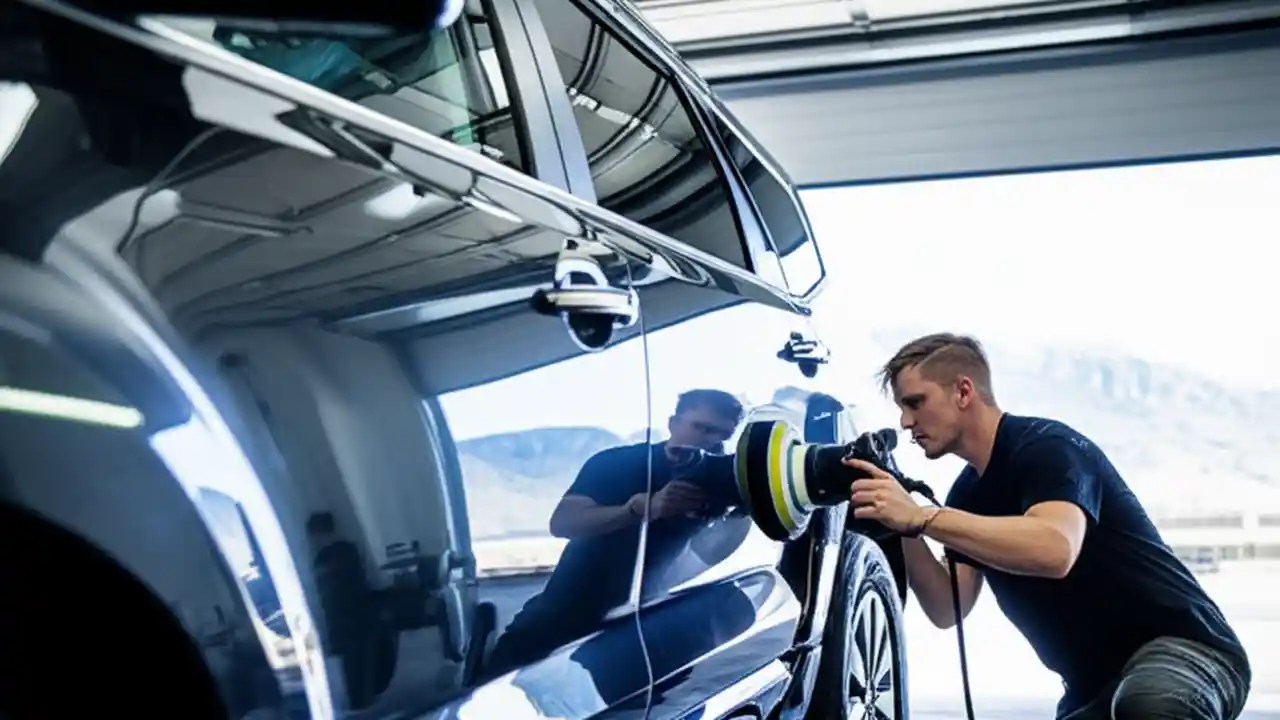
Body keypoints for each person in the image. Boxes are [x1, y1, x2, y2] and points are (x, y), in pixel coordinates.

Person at [845, 332, 1252, 720]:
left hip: (1188, 653)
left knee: (1149, 706)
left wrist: (922, 517)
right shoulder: (966, 495)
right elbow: (947, 607)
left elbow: (1055, 550)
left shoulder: (1047, 448)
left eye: (915, 402)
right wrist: (899, 521)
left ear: (963, 391)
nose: (904, 421)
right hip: (1094, 687)